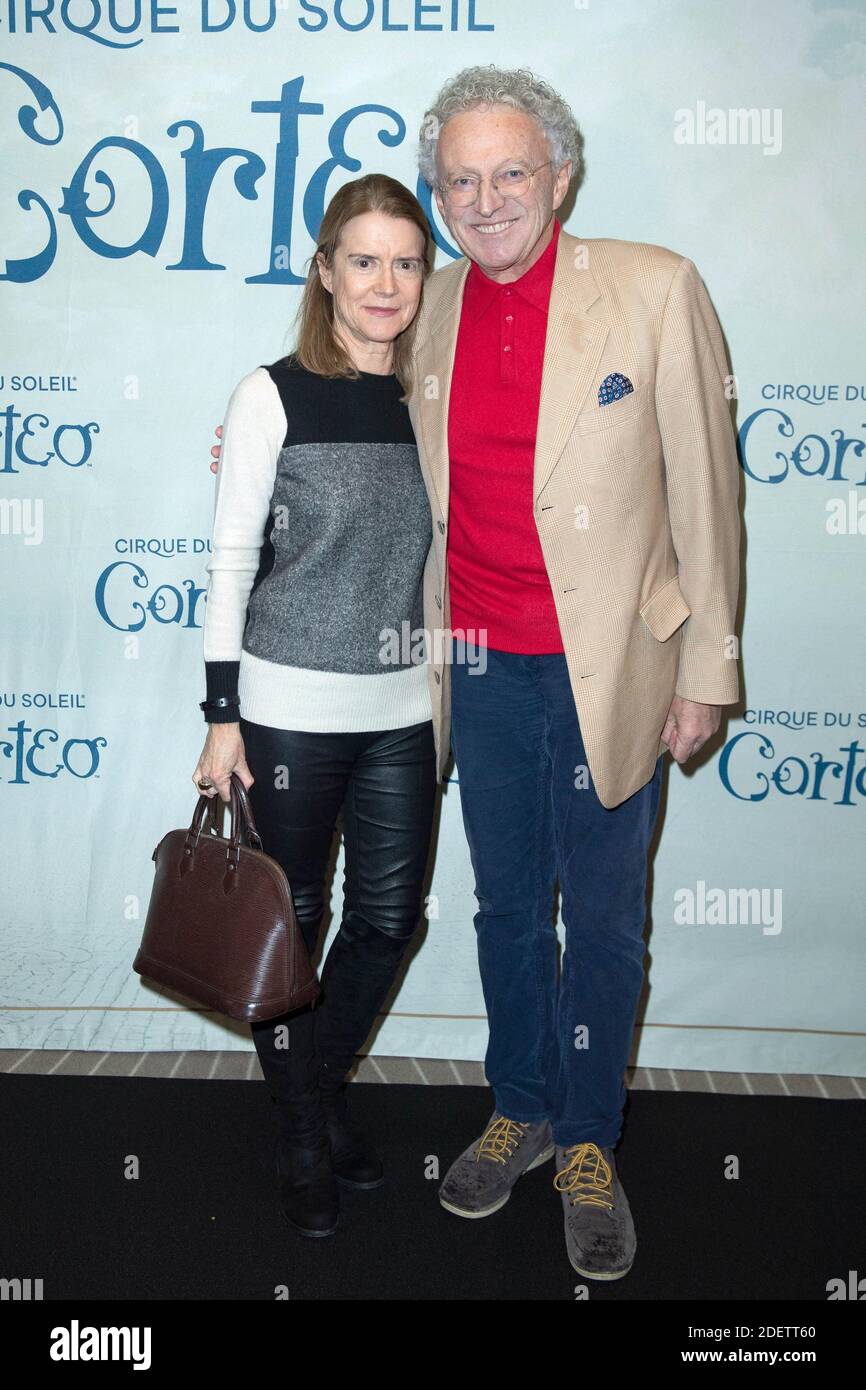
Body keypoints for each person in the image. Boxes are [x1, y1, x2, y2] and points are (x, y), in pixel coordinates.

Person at [403, 65, 740, 1281]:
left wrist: (705, 667)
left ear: (560, 172)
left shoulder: (654, 288)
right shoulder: (429, 304)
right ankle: (521, 1104)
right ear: (437, 193)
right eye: (457, 179)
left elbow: (710, 497)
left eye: (508, 172)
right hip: (479, 670)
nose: (483, 199)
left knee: (600, 921)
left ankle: (588, 1137)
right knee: (503, 908)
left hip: (617, 677)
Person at [193, 173, 437, 1239]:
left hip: (403, 709)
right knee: (292, 930)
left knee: (387, 919)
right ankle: (302, 1136)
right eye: (364, 259)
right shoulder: (271, 392)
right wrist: (219, 711)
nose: (384, 283)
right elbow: (230, 556)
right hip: (285, 704)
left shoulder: (435, 398)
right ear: (326, 270)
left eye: (406, 261)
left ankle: (313, 1092)